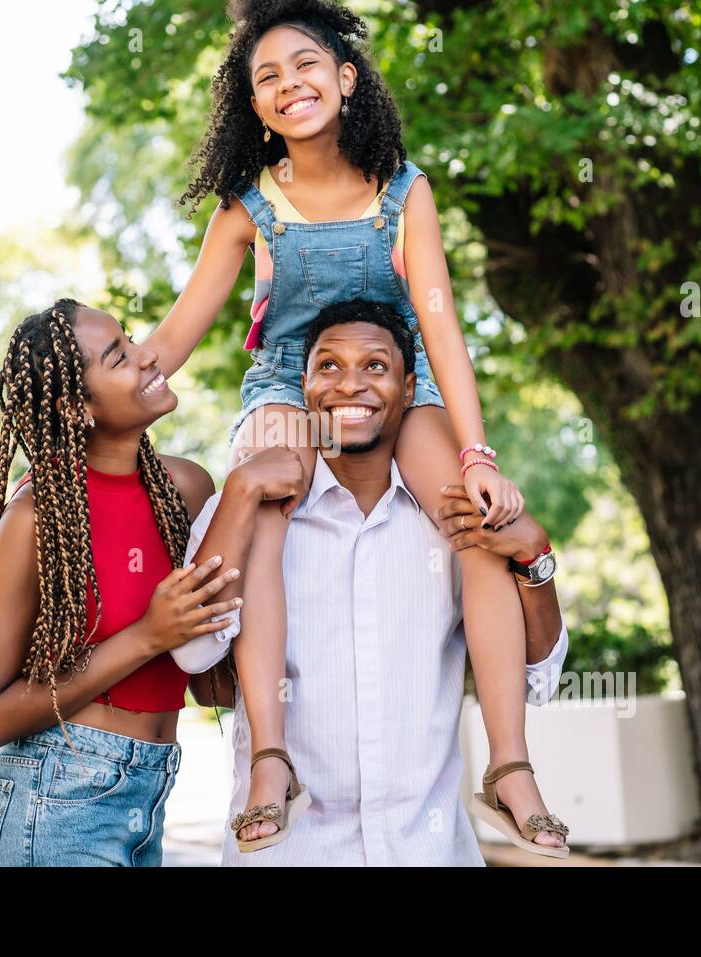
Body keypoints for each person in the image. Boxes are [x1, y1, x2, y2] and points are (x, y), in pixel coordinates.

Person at [144, 0, 561, 852]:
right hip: (288, 387)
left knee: (472, 517)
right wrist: (95, 398)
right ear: (252, 106)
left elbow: (439, 325)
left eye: (305, 66)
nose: (288, 84)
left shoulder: (405, 191)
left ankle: (510, 762)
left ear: (345, 78)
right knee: (269, 495)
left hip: (389, 379)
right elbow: (174, 338)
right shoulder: (248, 206)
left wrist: (476, 454)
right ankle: (270, 752)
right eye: (266, 78)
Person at [174, 300, 572, 865]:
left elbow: (541, 678)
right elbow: (193, 652)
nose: (349, 385)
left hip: (428, 850)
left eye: (375, 367)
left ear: (409, 389)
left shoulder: (454, 517)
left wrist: (536, 557)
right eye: (328, 366)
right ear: (303, 385)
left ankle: (511, 770)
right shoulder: (249, 510)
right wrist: (240, 492)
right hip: (288, 855)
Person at [0, 298, 303, 866]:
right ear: (74, 408)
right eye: (119, 357)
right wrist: (147, 636)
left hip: (150, 793)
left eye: (132, 340)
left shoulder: (187, 489)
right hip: (51, 804)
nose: (148, 357)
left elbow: (206, 678)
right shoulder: (36, 516)